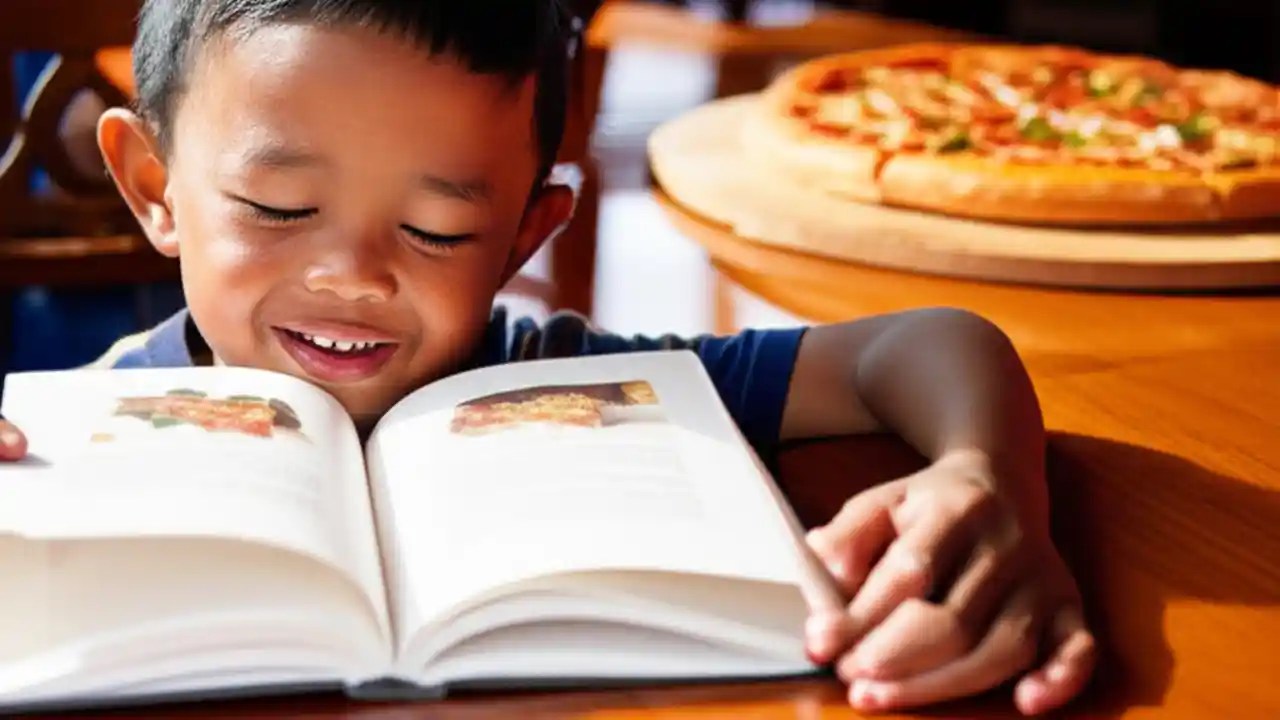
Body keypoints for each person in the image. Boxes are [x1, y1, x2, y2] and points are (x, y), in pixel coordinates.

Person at [0, 1, 1094, 714]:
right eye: (277, 207)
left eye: (436, 232)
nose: (354, 276)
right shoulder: (81, 427)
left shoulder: (594, 387)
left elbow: (927, 342)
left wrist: (985, 474)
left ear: (528, 227)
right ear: (154, 189)